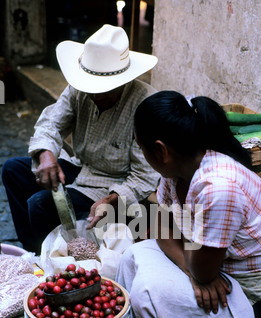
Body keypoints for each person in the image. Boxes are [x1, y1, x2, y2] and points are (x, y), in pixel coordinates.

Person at [116, 90, 261, 318]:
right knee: (132, 255)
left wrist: (196, 271)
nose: (142, 154)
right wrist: (188, 269)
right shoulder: (177, 169)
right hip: (213, 266)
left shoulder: (218, 187)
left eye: (142, 148)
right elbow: (159, 224)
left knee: (147, 291)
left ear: (161, 151)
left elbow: (198, 265)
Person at [1, 24, 159, 254]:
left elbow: (144, 176)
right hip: (80, 167)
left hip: (110, 184)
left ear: (124, 80)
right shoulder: (79, 89)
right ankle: (34, 253)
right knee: (13, 170)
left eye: (104, 90)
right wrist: (46, 155)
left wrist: (113, 199)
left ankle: (54, 261)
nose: (95, 94)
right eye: (91, 87)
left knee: (41, 205)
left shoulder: (145, 105)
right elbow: (50, 123)